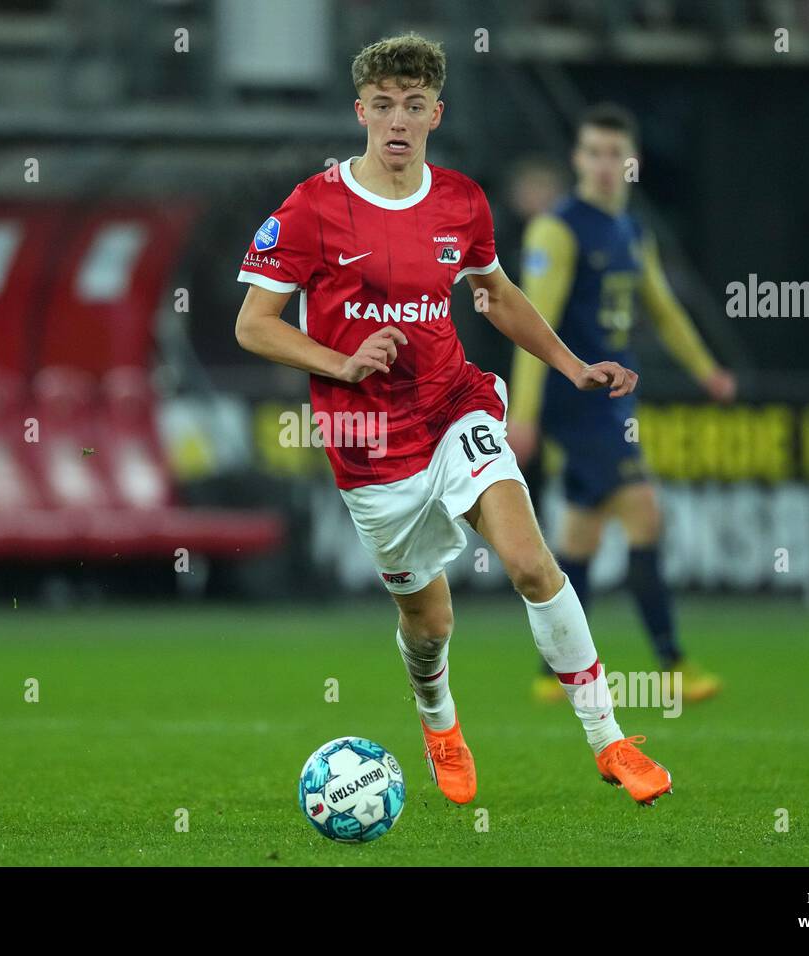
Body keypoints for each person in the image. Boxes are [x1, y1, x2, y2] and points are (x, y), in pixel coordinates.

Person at [234, 35, 671, 807]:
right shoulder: (312, 208)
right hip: (366, 443)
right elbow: (254, 325)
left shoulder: (462, 202)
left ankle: (610, 741)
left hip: (453, 404)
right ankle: (439, 723)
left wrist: (573, 366)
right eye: (382, 105)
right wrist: (341, 363)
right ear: (359, 110)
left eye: (412, 105)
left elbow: (496, 294)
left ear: (435, 113)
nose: (396, 120)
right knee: (428, 621)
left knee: (533, 564)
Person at [508, 103, 735, 706]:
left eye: (615, 154)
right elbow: (535, 323)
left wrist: (708, 371)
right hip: (573, 396)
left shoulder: (633, 230)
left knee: (579, 537)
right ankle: (672, 661)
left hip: (611, 400)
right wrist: (523, 413)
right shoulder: (558, 229)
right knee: (643, 511)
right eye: (593, 153)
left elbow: (662, 309)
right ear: (578, 159)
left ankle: (548, 671)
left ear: (630, 163)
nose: (604, 165)